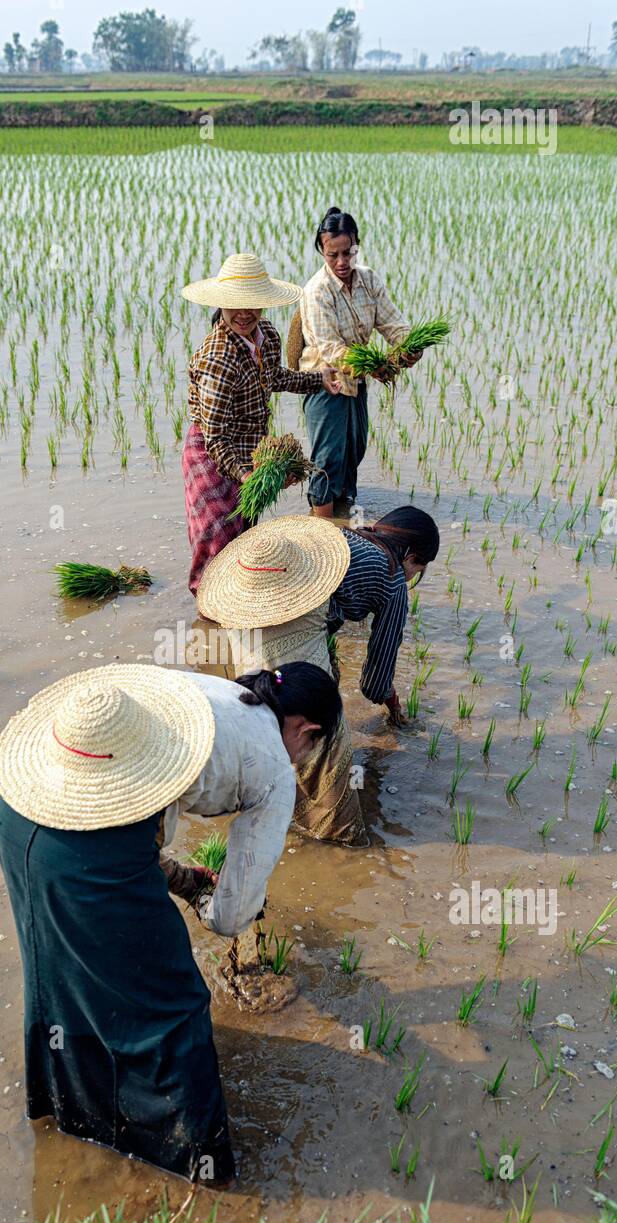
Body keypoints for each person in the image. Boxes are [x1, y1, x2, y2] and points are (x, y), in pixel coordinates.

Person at [0, 659, 341, 1185]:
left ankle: (72, 1117)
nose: (303, 758)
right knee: (173, 1004)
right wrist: (208, 896)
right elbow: (230, 918)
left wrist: (178, 876)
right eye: (310, 749)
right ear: (306, 730)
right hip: (89, 851)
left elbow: (121, 791)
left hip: (26, 809)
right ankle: (188, 1161)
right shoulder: (272, 767)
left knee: (62, 976)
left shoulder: (214, 694)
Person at [196, 516, 368, 846]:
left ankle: (292, 845)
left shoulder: (232, 610)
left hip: (256, 702)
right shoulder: (316, 601)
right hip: (312, 707)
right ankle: (345, 858)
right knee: (338, 817)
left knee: (272, 788)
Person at [181, 251, 340, 596]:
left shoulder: (265, 334)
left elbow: (275, 377)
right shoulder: (217, 359)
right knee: (216, 537)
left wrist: (318, 380)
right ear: (221, 303)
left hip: (249, 449)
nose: (245, 313)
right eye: (236, 303)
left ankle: (242, 603)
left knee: (246, 534)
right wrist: (246, 474)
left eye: (253, 303)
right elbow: (216, 438)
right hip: (212, 453)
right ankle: (208, 609)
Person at [294, 207, 420, 520]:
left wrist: (409, 346)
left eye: (348, 253)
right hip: (326, 383)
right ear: (322, 250)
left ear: (356, 245)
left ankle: (343, 514)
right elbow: (331, 349)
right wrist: (375, 365)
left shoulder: (368, 280)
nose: (341, 262)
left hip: (357, 379)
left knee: (354, 450)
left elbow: (392, 322)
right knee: (328, 459)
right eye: (332, 254)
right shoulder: (316, 291)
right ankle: (322, 526)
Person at [329, 506, 441, 727]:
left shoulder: (347, 533)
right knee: (325, 734)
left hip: (252, 603)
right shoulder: (394, 580)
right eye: (418, 570)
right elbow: (374, 683)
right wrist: (393, 704)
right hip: (296, 626)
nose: (411, 577)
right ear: (410, 557)